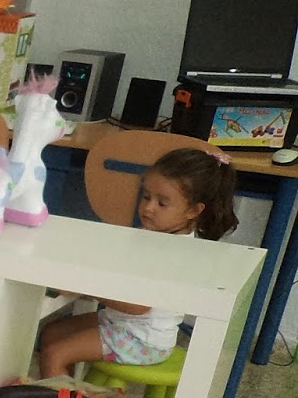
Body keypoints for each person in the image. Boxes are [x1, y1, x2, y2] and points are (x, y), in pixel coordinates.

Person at [39, 148, 237, 376]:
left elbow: (137, 306)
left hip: (144, 340)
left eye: (162, 203)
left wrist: (86, 287)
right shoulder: (158, 234)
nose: (148, 208)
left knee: (56, 352)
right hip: (122, 324)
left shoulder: (170, 251)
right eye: (146, 197)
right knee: (52, 332)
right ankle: (72, 397)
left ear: (193, 210)